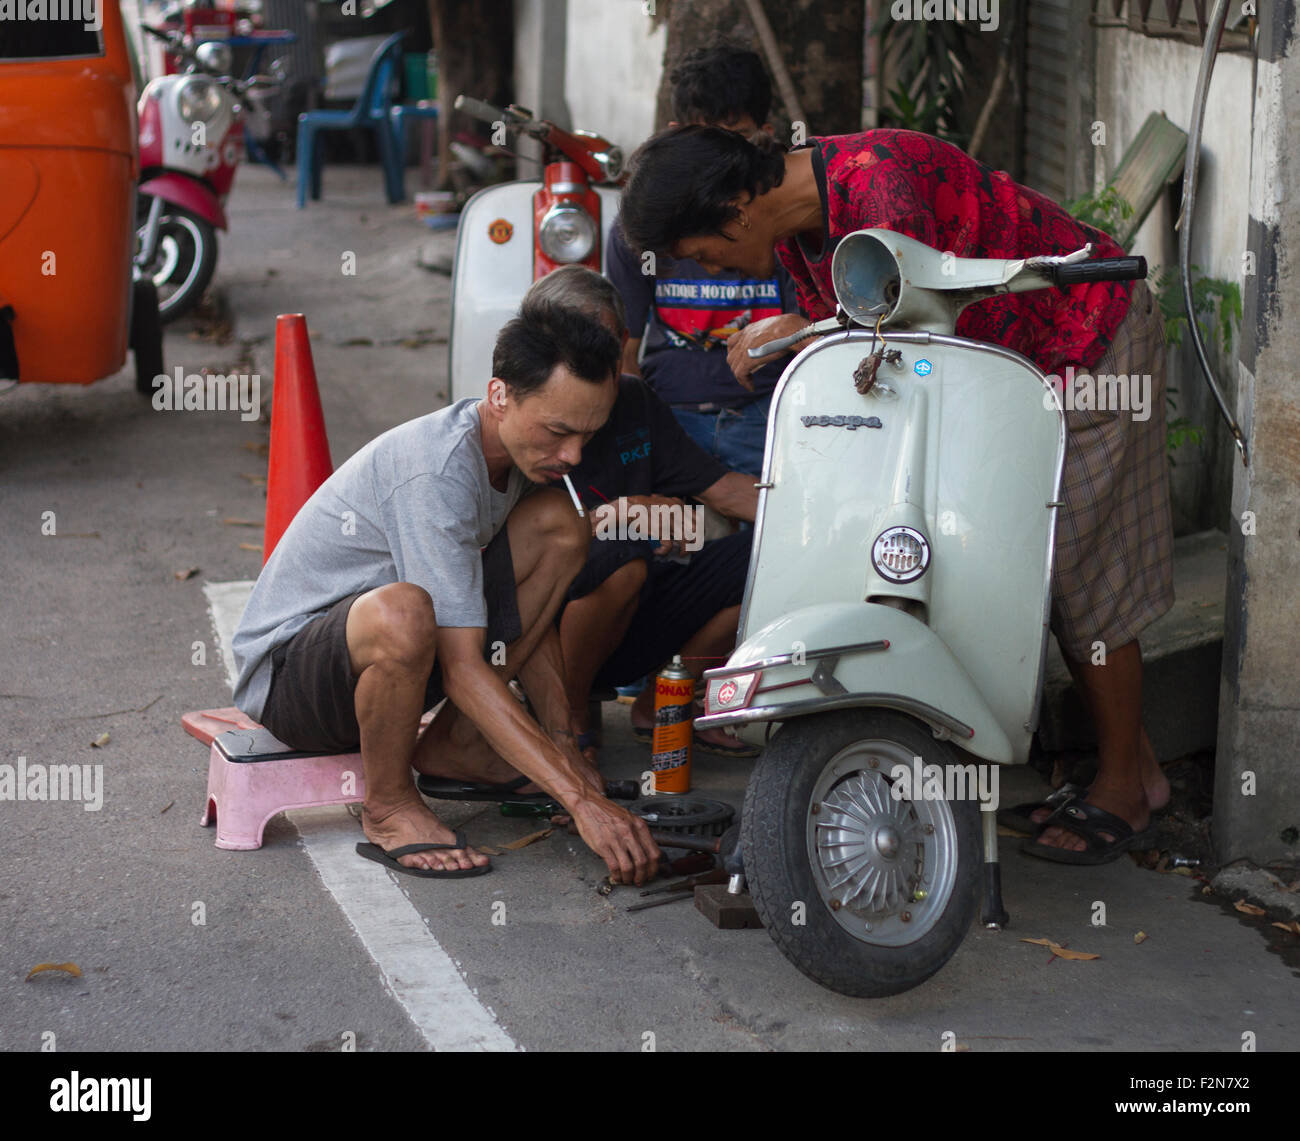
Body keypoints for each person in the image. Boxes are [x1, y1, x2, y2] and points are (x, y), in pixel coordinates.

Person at [618, 126, 1175, 865]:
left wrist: (811, 325)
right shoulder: (799, 223)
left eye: (698, 251)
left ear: (735, 209)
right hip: (1007, 370)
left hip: (1088, 343)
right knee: (1024, 567)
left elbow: (913, 332)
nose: (707, 267)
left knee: (1075, 567)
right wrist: (808, 325)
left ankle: (1128, 786)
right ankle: (1131, 763)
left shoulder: (877, 185)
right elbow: (886, 326)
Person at [231, 301, 660, 884]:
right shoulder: (434, 470)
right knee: (405, 610)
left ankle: (457, 746)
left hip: (394, 662)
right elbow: (460, 665)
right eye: (558, 432)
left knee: (562, 526)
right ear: (500, 395)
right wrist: (583, 805)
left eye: (588, 435)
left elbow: (528, 620)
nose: (573, 456)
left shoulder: (521, 464)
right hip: (292, 680)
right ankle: (388, 806)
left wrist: (568, 753)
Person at [524, 266, 762, 759]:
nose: (588, 365)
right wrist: (625, 512)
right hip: (541, 631)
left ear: (624, 342)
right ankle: (562, 721)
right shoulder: (526, 414)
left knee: (763, 558)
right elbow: (517, 545)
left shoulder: (634, 400)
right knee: (621, 549)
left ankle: (664, 703)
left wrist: (819, 515)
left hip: (635, 615)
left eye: (602, 350)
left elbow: (725, 491)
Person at [604, 43, 802, 477]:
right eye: (702, 142)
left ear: (764, 136)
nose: (716, 171)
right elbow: (623, 355)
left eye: (735, 142)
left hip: (769, 413)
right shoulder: (643, 226)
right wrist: (644, 432)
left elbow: (815, 341)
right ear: (676, 137)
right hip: (672, 416)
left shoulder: (788, 227)